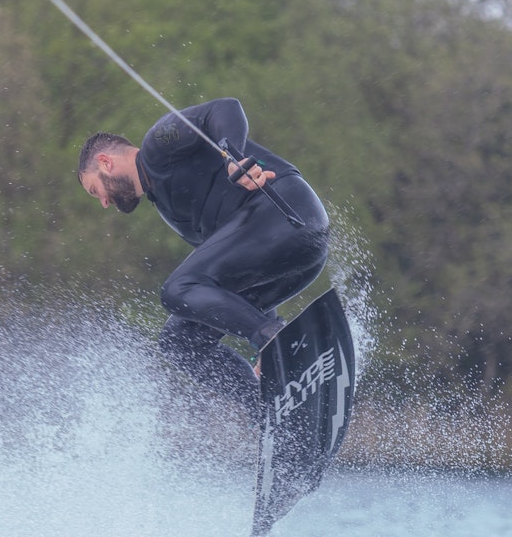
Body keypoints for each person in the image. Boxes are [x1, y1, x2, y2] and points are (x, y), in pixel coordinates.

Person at [77, 97, 330, 420]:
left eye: (94, 190)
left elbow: (224, 109)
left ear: (105, 163)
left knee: (176, 290)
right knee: (178, 341)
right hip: (292, 260)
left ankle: (275, 341)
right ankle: (268, 411)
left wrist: (234, 158)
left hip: (288, 213)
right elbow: (243, 274)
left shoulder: (158, 146)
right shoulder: (167, 204)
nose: (103, 202)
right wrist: (260, 326)